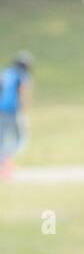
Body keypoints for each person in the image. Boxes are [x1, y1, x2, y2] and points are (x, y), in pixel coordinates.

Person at [0, 51, 33, 180]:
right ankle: (5, 161)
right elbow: (21, 92)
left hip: (1, 111)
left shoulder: (5, 73)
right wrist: (23, 109)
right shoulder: (21, 75)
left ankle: (4, 163)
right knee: (21, 138)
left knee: (1, 139)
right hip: (12, 111)